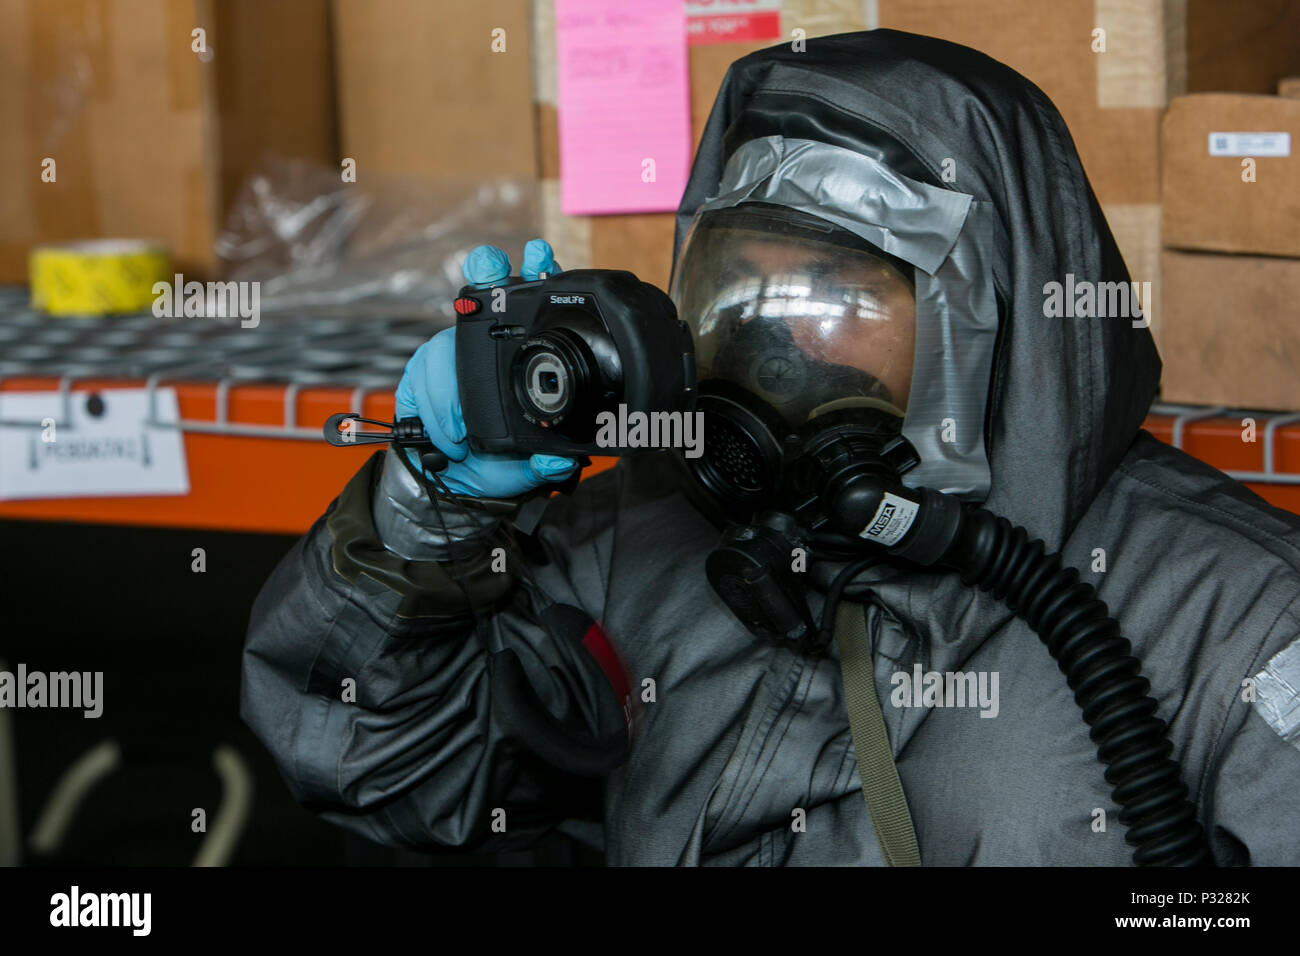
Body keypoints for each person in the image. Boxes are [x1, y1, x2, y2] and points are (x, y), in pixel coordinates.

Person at [240, 30, 1300, 865]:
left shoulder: (1237, 622)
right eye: (736, 286)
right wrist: (429, 510)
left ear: (989, 321)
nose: (772, 344)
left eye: (833, 295)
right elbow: (381, 770)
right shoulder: (642, 545)